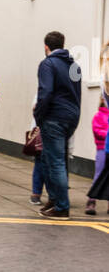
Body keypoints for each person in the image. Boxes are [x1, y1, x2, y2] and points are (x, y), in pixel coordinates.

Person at [35, 30, 81, 218]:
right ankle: (54, 198)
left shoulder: (47, 64)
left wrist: (38, 116)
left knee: (56, 162)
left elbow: (45, 93)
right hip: (71, 117)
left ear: (46, 47)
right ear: (62, 44)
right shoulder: (75, 66)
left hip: (54, 117)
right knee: (48, 158)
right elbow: (77, 93)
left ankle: (62, 207)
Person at [85, 92, 108, 216]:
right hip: (102, 149)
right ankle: (91, 201)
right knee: (98, 175)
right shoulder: (99, 115)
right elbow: (97, 131)